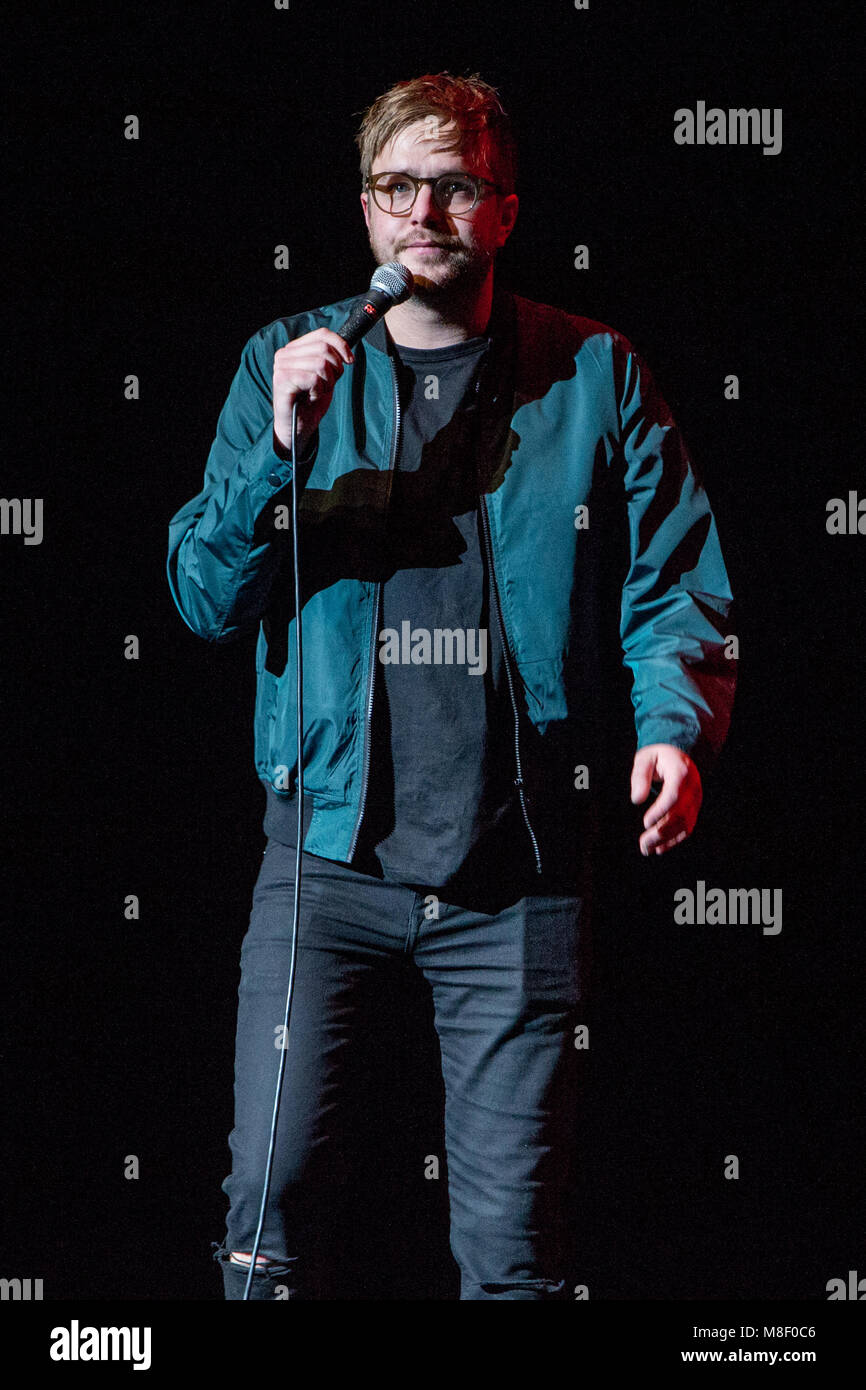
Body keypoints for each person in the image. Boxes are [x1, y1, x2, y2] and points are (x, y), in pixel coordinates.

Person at [167, 71, 736, 1300]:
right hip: (323, 863)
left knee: (512, 1253)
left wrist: (673, 729)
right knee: (262, 1225)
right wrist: (277, 455)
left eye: (455, 184)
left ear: (504, 209)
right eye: (396, 186)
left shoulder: (594, 373)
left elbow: (675, 583)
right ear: (365, 209)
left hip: (512, 876)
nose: (424, 210)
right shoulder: (283, 363)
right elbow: (204, 598)